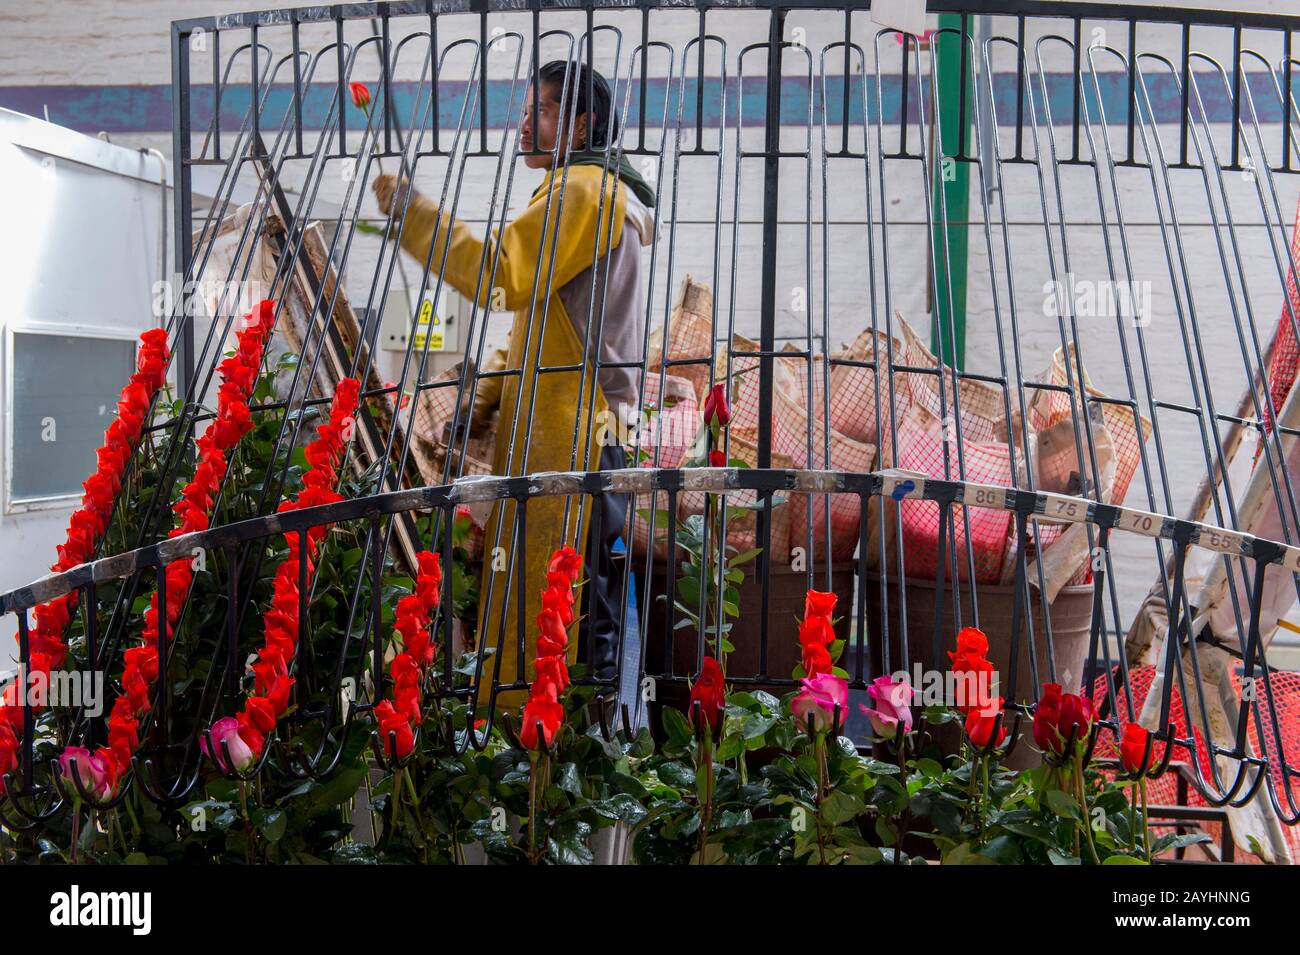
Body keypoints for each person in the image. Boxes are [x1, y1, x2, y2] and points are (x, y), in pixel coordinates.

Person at [373, 60, 656, 707]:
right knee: (564, 599)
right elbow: (540, 321)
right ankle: (545, 742)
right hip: (562, 425)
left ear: (582, 124)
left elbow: (500, 275)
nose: (525, 122)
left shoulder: (584, 192)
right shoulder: (585, 191)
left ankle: (565, 749)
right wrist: (489, 397)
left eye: (544, 111)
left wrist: (411, 213)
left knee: (566, 607)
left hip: (573, 435)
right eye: (525, 109)